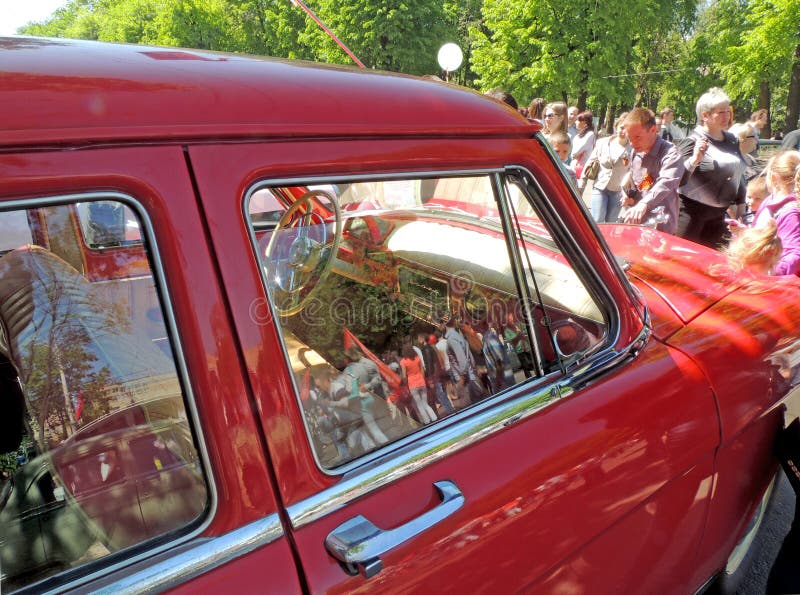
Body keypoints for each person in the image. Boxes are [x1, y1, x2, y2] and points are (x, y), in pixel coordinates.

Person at [677, 88, 747, 248]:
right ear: (705, 116)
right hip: (691, 215)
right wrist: (694, 160)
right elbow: (676, 179)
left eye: (728, 111)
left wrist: (741, 208)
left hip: (719, 217)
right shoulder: (692, 141)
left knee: (716, 260)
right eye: (721, 112)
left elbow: (738, 175)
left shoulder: (732, 140)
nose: (727, 116)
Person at [621, 107, 685, 233]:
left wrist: (644, 204)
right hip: (637, 223)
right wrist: (628, 195)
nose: (632, 143)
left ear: (653, 130)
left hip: (661, 225)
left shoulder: (671, 153)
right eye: (629, 139)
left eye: (637, 137)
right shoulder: (635, 152)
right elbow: (640, 183)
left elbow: (666, 183)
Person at [753, 150, 800, 276]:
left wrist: (771, 273)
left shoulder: (791, 212)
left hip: (773, 280)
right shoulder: (770, 201)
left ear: (773, 178)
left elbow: (794, 255)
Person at [583, 113, 630, 222]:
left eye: (627, 129)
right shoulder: (603, 143)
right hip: (600, 186)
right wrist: (582, 184)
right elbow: (590, 162)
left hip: (618, 191)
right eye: (621, 128)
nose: (623, 132)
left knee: (611, 222)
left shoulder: (632, 149)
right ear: (616, 127)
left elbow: (633, 172)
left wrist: (629, 194)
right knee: (597, 219)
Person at [444, 314, 485, 403]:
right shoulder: (456, 336)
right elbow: (469, 356)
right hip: (471, 377)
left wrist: (462, 378)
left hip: (468, 380)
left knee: (477, 403)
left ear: (444, 324)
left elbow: (462, 360)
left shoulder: (452, 339)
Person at [400, 344, 437, 424]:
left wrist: (405, 384)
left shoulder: (403, 362)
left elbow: (404, 376)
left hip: (412, 384)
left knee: (419, 405)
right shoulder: (417, 358)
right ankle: (434, 418)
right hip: (421, 382)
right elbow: (422, 370)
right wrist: (422, 379)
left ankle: (427, 421)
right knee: (425, 403)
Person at [417, 333, 454, 416]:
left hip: (433, 374)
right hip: (437, 372)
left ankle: (449, 411)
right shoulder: (431, 347)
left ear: (422, 339)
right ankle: (450, 409)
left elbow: (429, 364)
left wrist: (430, 378)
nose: (418, 340)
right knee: (441, 392)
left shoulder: (425, 349)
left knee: (440, 394)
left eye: (419, 338)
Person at [503, 312, 534, 379]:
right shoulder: (506, 330)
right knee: (525, 367)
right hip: (519, 350)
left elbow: (527, 331)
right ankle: (529, 379)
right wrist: (519, 335)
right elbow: (512, 341)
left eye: (510, 317)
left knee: (534, 363)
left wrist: (523, 334)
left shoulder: (519, 324)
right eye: (507, 319)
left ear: (512, 317)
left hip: (527, 347)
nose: (509, 319)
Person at [571, 110, 596, 183]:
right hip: (575, 164)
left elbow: (577, 150)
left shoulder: (590, 134)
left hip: (582, 167)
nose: (575, 122)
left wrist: (573, 155)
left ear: (584, 122)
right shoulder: (580, 134)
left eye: (577, 120)